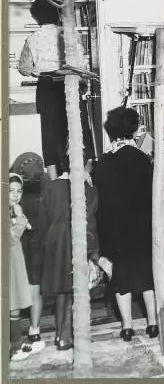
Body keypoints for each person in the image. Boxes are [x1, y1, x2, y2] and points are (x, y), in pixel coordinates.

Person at [93, 107, 157, 342]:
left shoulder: (104, 161)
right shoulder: (143, 159)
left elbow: (99, 197)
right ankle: (152, 324)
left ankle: (127, 327)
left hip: (115, 229)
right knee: (146, 274)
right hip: (142, 227)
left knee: (121, 277)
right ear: (133, 130)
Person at [16, 0, 90, 180]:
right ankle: (83, 179)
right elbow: (80, 66)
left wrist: (38, 71)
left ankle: (55, 181)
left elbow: (24, 68)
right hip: (69, 83)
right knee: (76, 131)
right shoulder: (71, 34)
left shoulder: (33, 38)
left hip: (47, 86)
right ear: (58, 13)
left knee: (50, 135)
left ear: (37, 17)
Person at [38, 153, 99, 351]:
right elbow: (91, 215)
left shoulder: (50, 187)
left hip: (54, 239)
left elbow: (42, 221)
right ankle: (67, 335)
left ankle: (59, 335)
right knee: (74, 287)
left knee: (60, 289)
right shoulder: (85, 188)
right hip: (75, 237)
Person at [11, 153, 47, 354]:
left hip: (19, 248)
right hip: (38, 245)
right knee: (35, 288)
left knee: (15, 291)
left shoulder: (14, 198)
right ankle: (35, 330)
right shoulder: (45, 190)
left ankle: (14, 338)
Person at [9, 173, 33, 361]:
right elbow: (11, 238)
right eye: (11, 191)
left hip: (14, 261)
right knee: (10, 304)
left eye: (19, 191)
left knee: (14, 304)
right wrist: (21, 218)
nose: (16, 195)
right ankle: (12, 348)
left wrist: (18, 217)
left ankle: (16, 342)